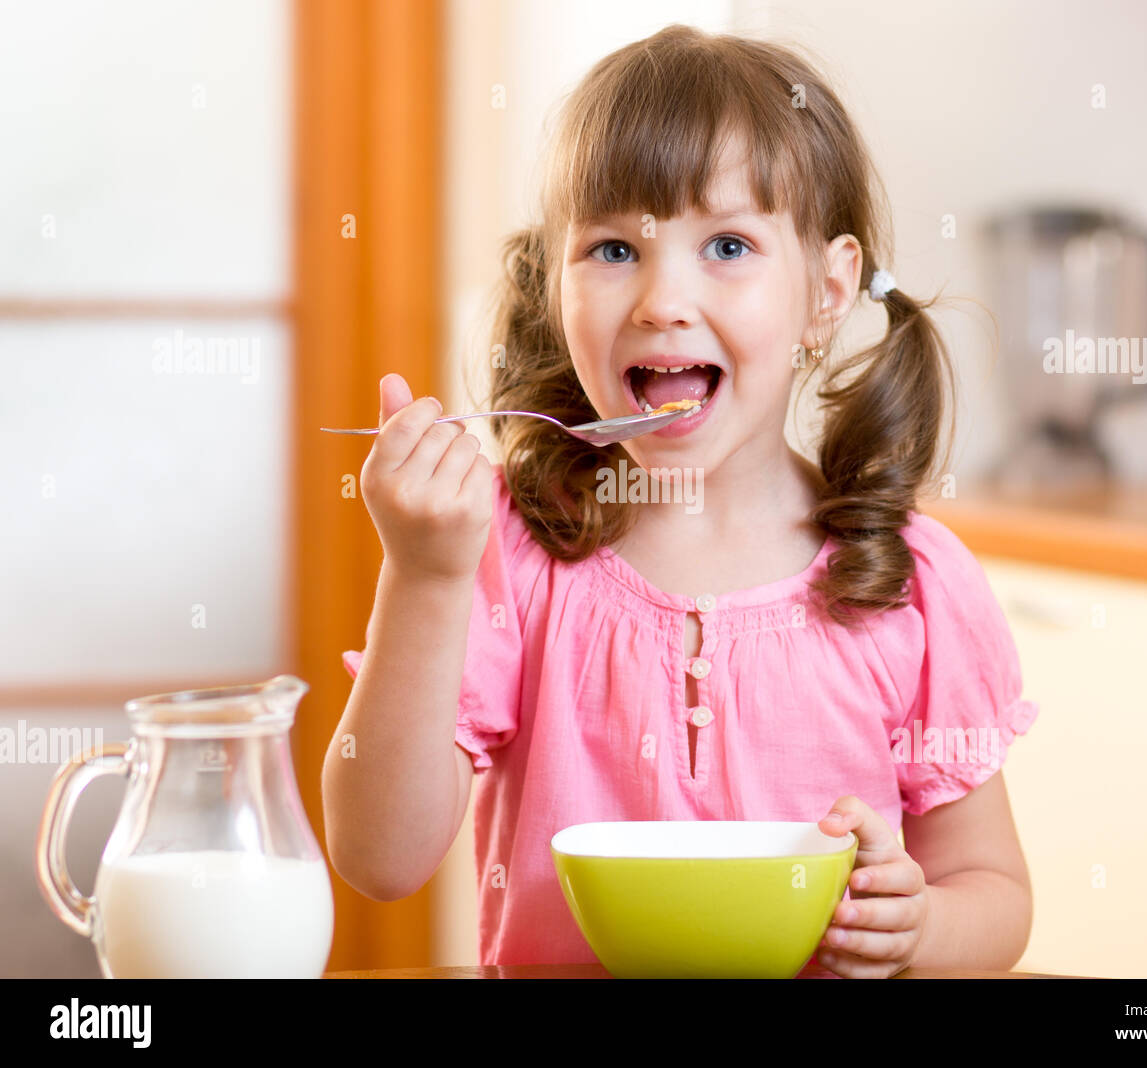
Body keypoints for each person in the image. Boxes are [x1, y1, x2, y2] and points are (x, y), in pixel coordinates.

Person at [323, 24, 1038, 978]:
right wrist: (422, 577)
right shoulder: (508, 556)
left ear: (827, 293)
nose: (662, 298)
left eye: (729, 244)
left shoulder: (909, 584)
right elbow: (379, 860)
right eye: (613, 248)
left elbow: (994, 889)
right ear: (555, 285)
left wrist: (923, 933)